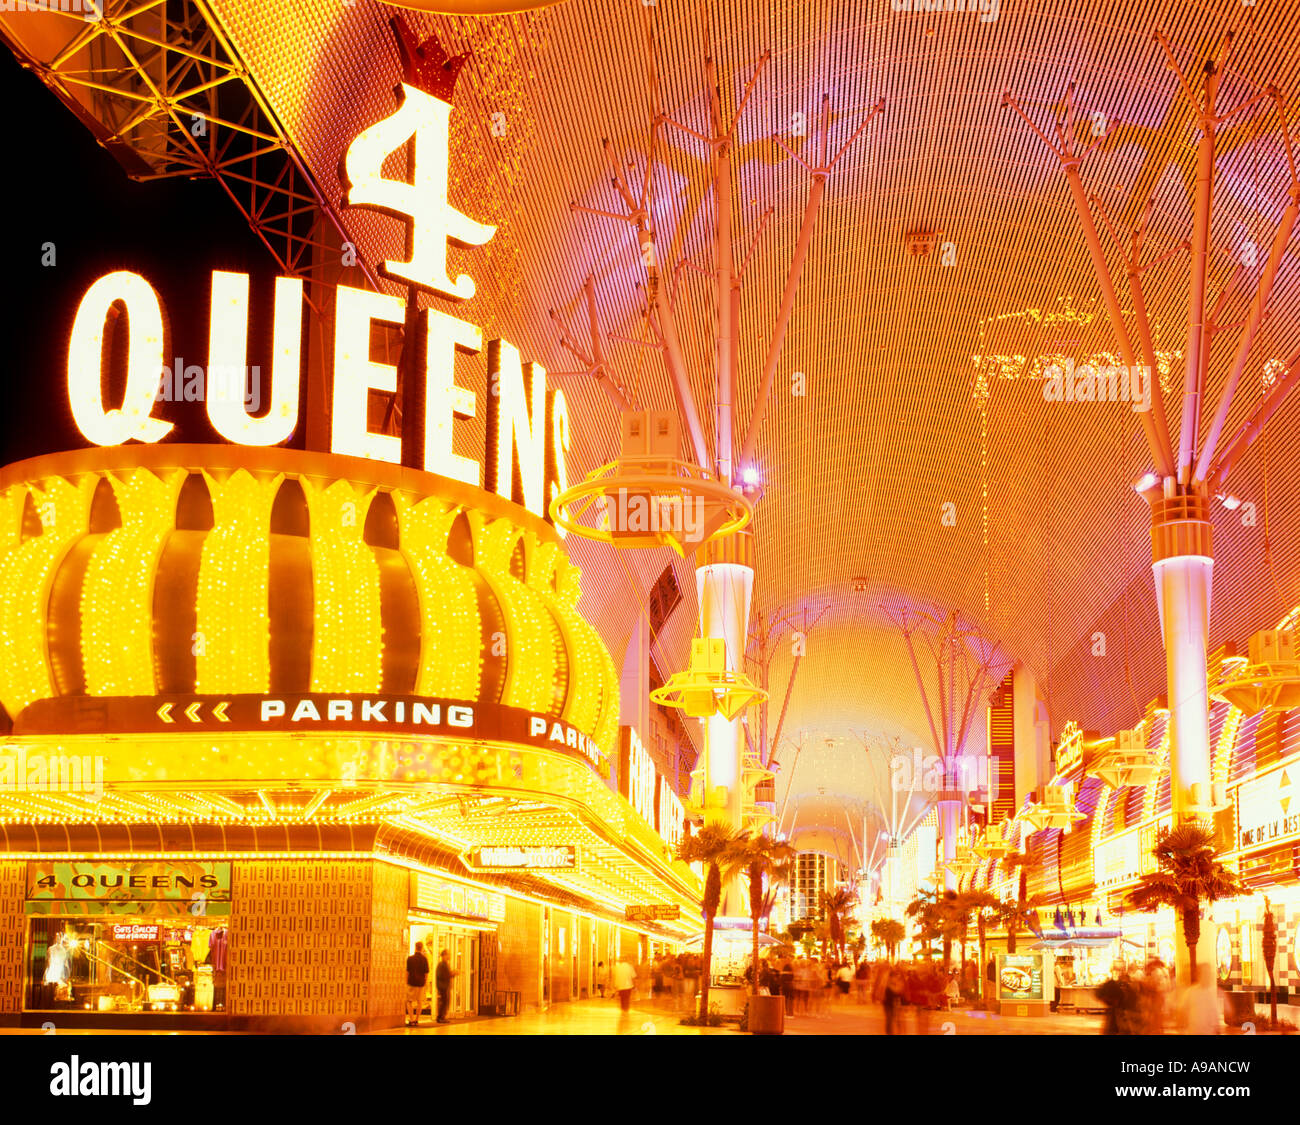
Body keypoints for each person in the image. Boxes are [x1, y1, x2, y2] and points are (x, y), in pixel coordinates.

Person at [405, 941, 429, 1027]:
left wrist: (406, 982)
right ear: (422, 948)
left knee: (409, 1001)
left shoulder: (410, 959)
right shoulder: (424, 959)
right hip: (421, 983)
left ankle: (411, 1019)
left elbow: (407, 972)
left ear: (415, 947)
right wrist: (425, 983)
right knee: (419, 1002)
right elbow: (426, 973)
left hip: (411, 982)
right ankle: (417, 1019)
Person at [435, 949, 456, 1024]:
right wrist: (452, 973)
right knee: (444, 1002)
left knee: (445, 1002)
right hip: (443, 987)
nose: (449, 956)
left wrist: (451, 973)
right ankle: (440, 1017)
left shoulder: (445, 964)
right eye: (448, 954)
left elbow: (446, 974)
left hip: (445, 986)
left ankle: (442, 1016)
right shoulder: (441, 965)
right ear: (444, 956)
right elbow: (442, 975)